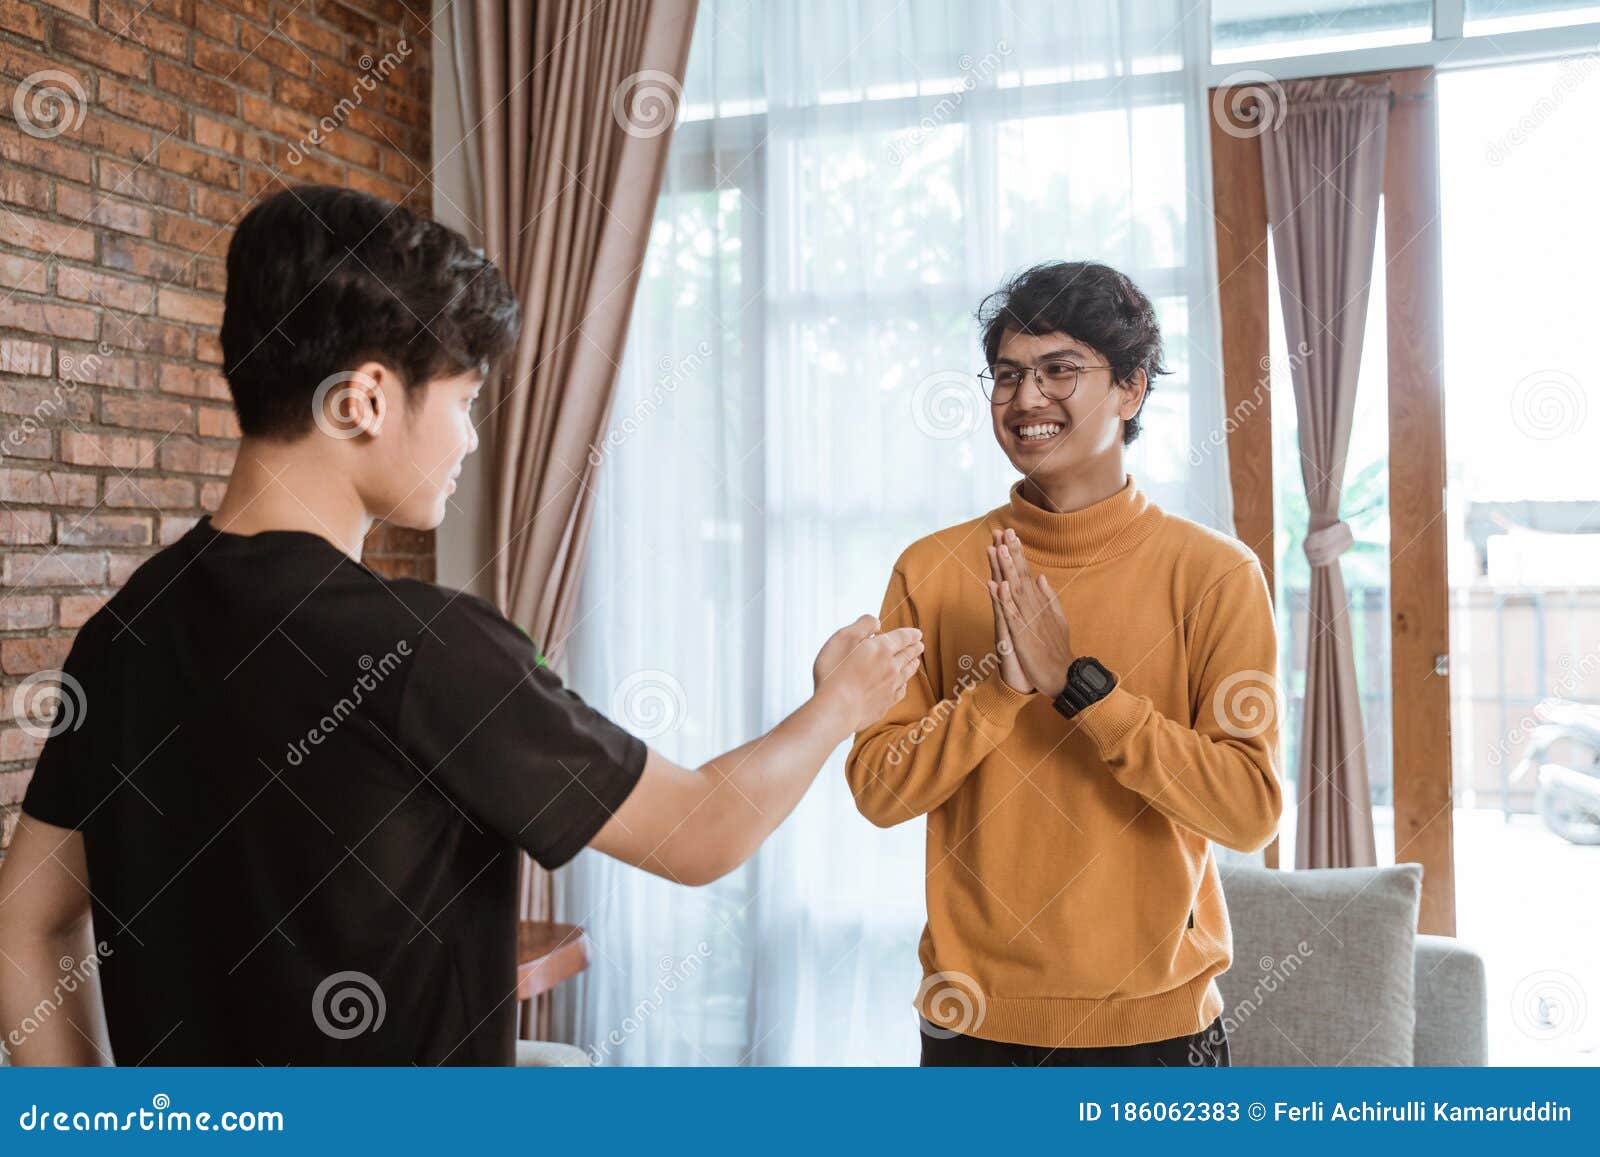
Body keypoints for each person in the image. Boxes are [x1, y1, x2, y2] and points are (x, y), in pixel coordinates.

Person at [0, 185, 920, 1066]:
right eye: (465, 400)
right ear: (363, 399)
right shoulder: (426, 646)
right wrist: (840, 703)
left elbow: (21, 925)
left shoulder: (122, 630)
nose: (470, 440)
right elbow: (700, 833)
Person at [845, 260, 1283, 1067]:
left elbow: (1250, 809)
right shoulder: (932, 569)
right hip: (971, 1029)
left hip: (1157, 1035)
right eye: (1008, 375)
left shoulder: (1215, 574)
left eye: (1059, 370)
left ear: (1131, 389)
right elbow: (878, 788)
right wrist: (999, 692)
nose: (1026, 399)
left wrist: (1082, 689)